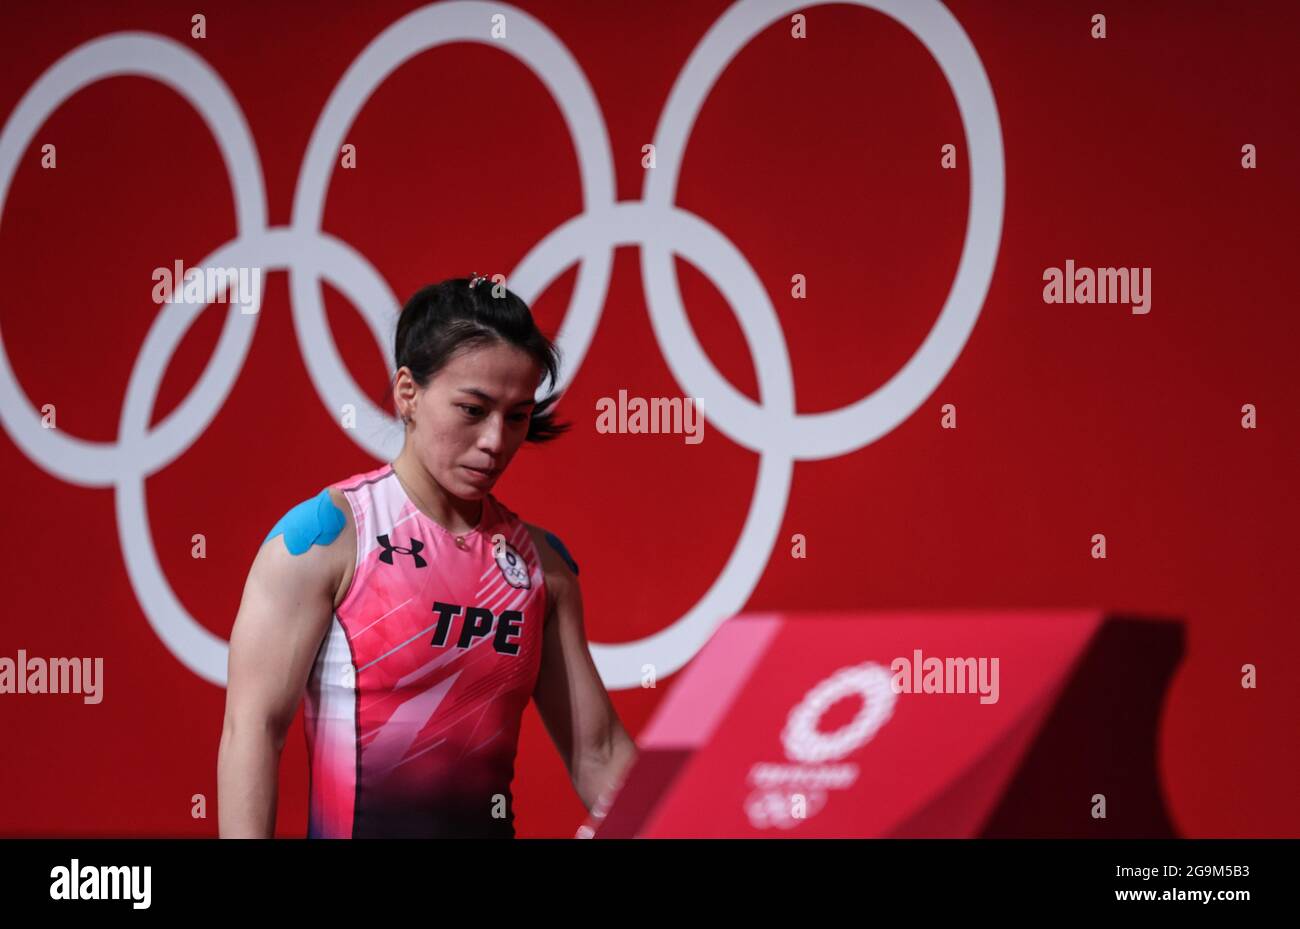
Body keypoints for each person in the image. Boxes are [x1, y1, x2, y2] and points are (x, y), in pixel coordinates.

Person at [217, 275, 637, 837]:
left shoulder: (541, 566)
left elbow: (600, 752)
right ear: (407, 392)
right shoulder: (328, 539)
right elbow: (254, 729)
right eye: (473, 409)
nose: (495, 440)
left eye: (516, 416)